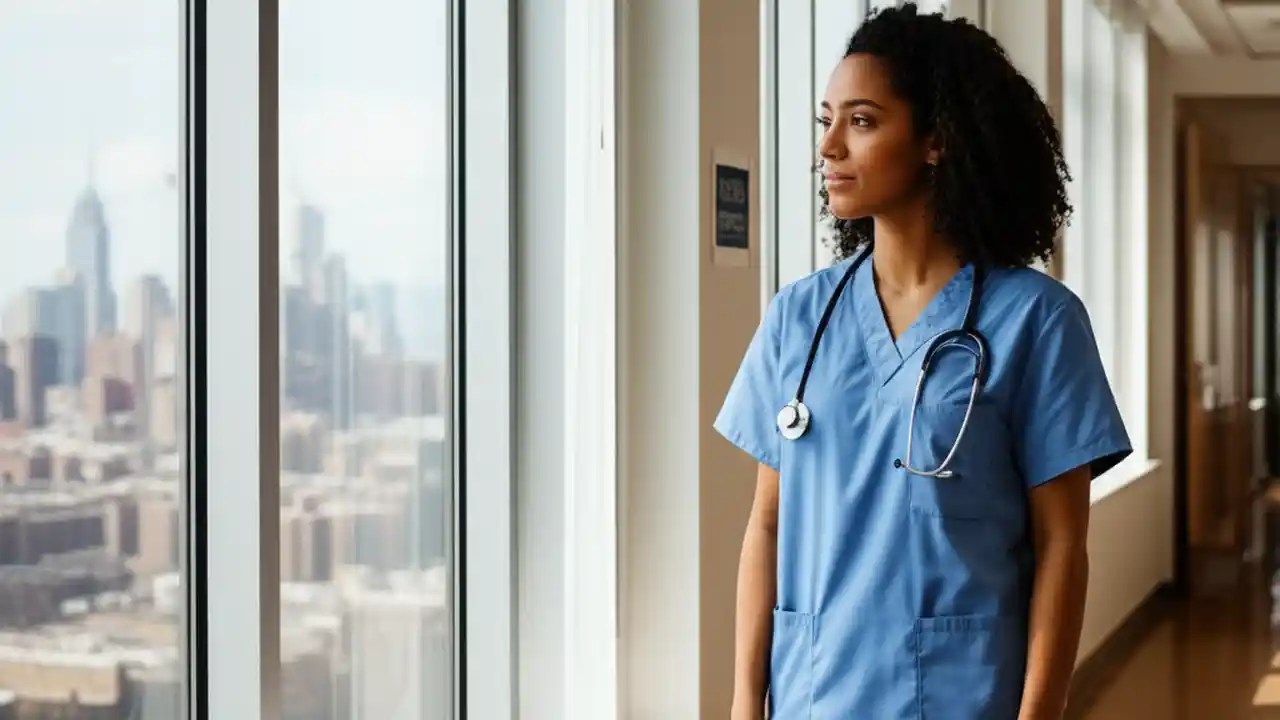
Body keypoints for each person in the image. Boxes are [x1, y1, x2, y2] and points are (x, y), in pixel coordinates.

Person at [715, 5, 1131, 719]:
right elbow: (768, 525)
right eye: (828, 121)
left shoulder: (1037, 320)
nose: (830, 148)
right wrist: (743, 705)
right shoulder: (798, 317)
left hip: (960, 698)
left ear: (937, 139)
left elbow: (1062, 546)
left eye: (864, 121)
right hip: (814, 695)